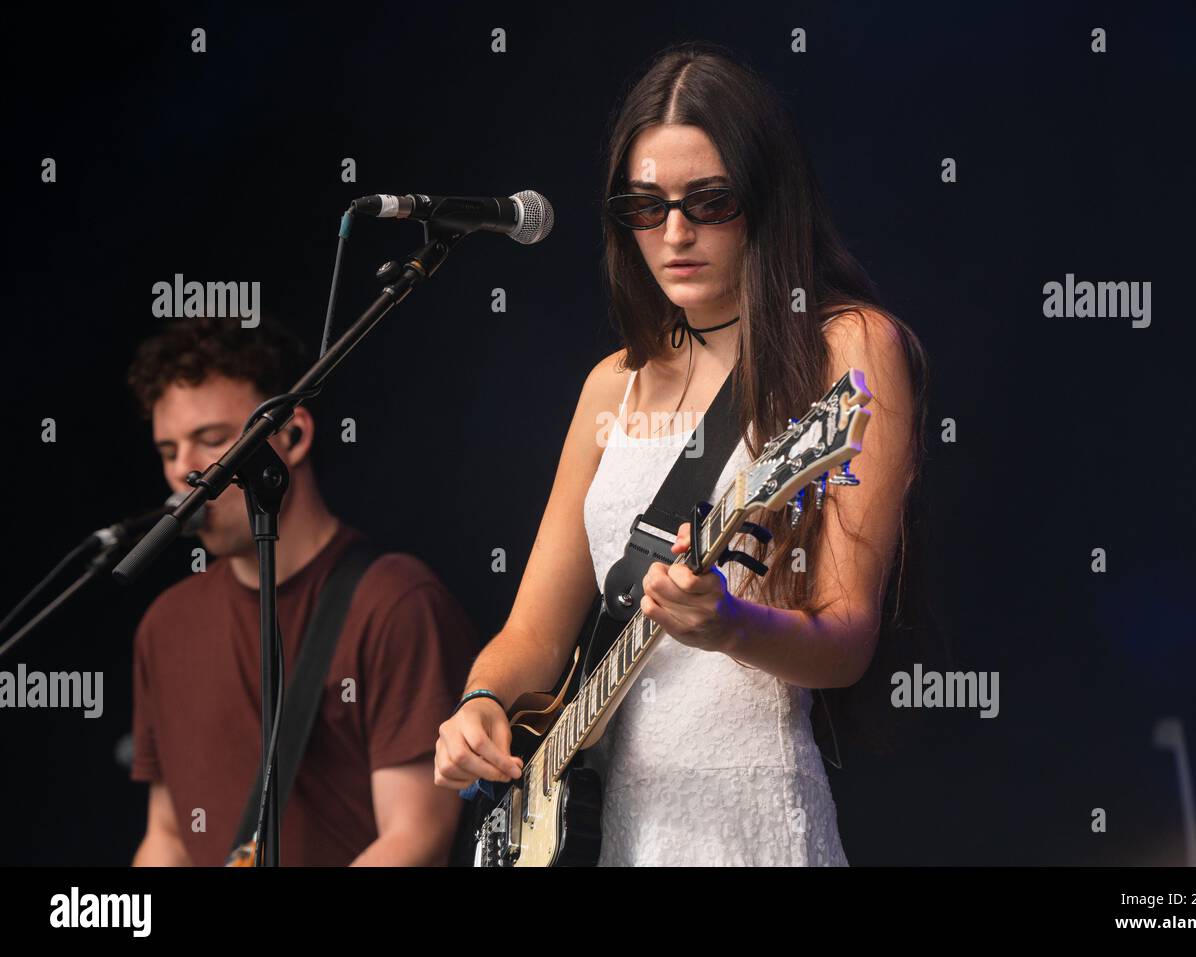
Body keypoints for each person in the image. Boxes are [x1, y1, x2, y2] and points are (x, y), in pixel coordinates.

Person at [434, 41, 930, 865]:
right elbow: (532, 634)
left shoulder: (847, 347)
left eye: (710, 201)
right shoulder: (612, 385)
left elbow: (846, 639)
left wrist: (730, 624)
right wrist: (481, 701)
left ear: (766, 199)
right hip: (605, 831)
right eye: (645, 206)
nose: (674, 233)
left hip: (748, 822)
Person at [126, 316, 478, 866]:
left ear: (292, 436)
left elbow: (416, 838)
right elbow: (167, 836)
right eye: (169, 451)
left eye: (212, 441)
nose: (184, 473)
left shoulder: (396, 603)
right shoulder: (165, 625)